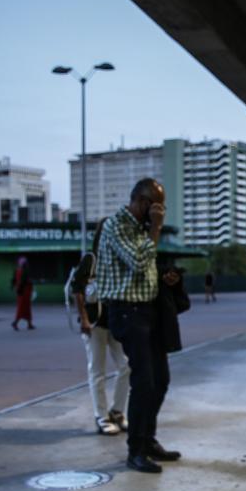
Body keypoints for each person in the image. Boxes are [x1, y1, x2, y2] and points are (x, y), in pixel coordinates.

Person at [98, 178, 182, 474]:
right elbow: (136, 261)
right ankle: (135, 451)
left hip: (148, 311)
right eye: (158, 206)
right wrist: (156, 228)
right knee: (143, 382)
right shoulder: (116, 225)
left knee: (161, 379)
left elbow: (145, 269)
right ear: (143, 202)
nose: (160, 213)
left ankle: (148, 440)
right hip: (127, 313)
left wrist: (165, 277)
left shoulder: (142, 229)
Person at [73, 222, 131, 436]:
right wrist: (84, 318)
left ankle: (117, 411)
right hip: (94, 322)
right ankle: (101, 416)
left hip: (115, 321)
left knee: (126, 365)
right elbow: (77, 289)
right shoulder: (91, 259)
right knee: (98, 370)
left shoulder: (119, 260)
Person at [11, 256, 34, 331]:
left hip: (21, 291)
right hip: (24, 291)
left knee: (26, 307)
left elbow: (14, 280)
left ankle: (29, 324)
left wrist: (14, 287)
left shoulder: (17, 270)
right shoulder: (24, 271)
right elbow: (25, 281)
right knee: (22, 308)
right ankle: (15, 322)